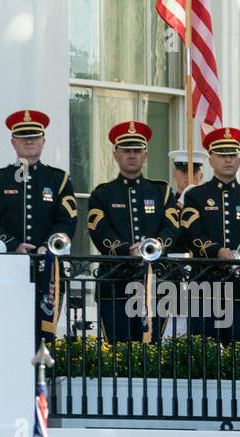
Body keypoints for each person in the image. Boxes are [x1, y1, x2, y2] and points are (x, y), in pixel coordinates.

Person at [0, 109, 77, 340]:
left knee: (44, 335)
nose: (30, 141)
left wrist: (48, 246)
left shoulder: (58, 179)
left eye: (35, 136)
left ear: (43, 140)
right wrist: (13, 244)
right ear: (13, 142)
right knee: (8, 332)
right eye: (23, 136)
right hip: (8, 268)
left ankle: (43, 375)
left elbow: (67, 220)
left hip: (48, 269)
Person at [86, 121, 181, 342]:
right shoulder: (102, 194)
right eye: (126, 150)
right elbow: (99, 231)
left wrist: (155, 247)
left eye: (137, 150)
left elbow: (172, 227)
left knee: (153, 349)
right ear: (115, 155)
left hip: (156, 282)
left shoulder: (162, 191)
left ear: (145, 155)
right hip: (115, 282)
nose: (132, 155)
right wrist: (126, 250)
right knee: (117, 349)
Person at [179, 126, 240, 341]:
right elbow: (191, 234)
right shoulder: (196, 196)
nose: (228, 160)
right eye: (222, 155)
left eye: (232, 155)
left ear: (239, 160)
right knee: (202, 352)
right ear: (210, 160)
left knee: (239, 350)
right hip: (204, 284)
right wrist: (216, 251)